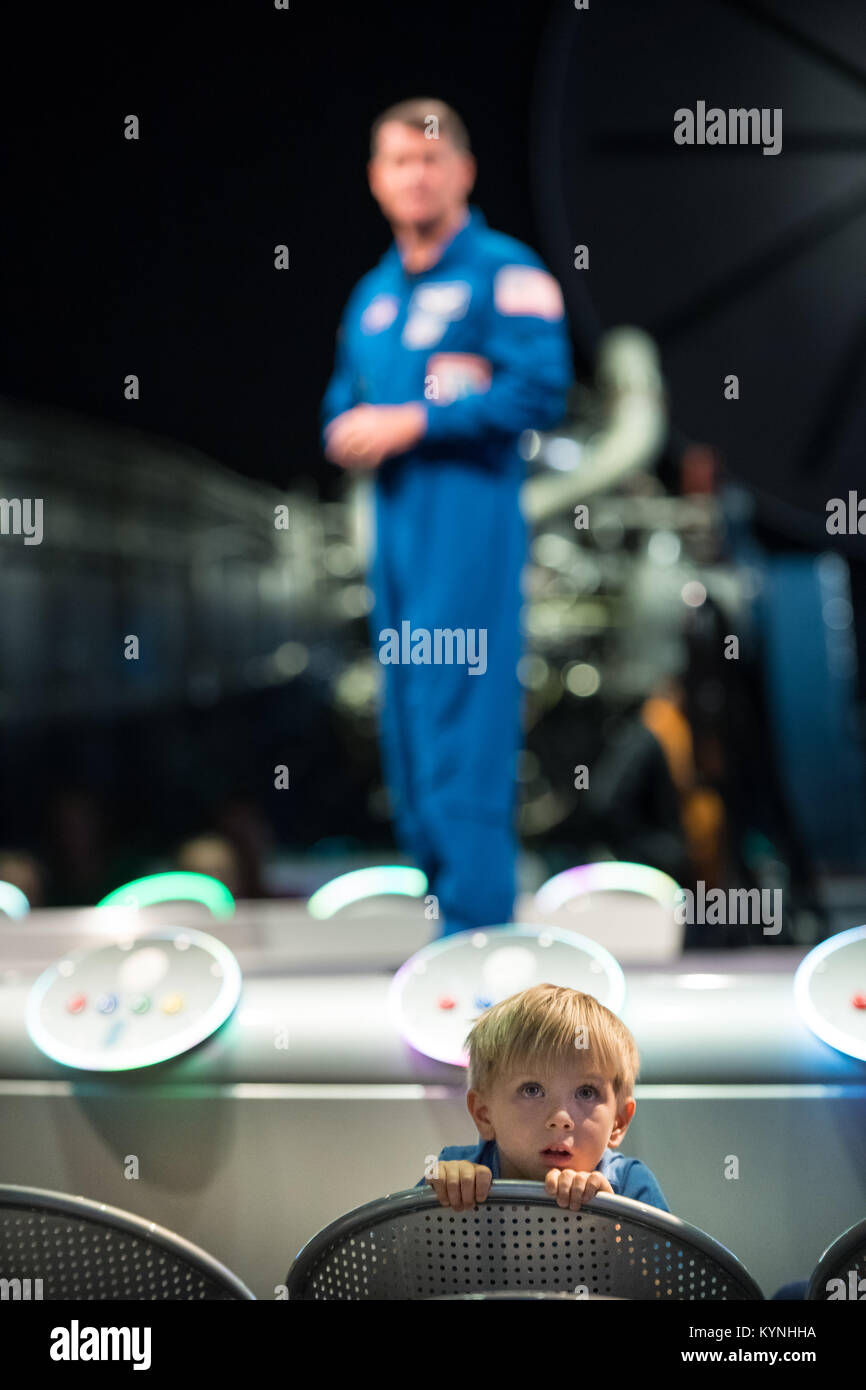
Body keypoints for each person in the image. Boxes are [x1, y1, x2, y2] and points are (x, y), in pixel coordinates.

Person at [321, 98, 573, 937]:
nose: (415, 176)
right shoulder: (372, 297)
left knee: (463, 718)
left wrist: (416, 422)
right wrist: (348, 429)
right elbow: (340, 404)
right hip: (396, 538)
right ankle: (445, 925)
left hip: (469, 527)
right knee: (409, 726)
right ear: (374, 179)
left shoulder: (507, 272)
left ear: (462, 170)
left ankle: (477, 938)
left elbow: (540, 388)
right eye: (398, 162)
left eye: (430, 160)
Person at [416, 984, 668, 1212]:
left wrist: (618, 1227)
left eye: (586, 1092)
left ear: (619, 1122)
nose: (560, 1119)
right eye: (532, 1090)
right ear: (484, 1114)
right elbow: (395, 1257)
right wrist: (440, 1200)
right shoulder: (454, 1172)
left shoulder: (630, 1185)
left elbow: (675, 1264)